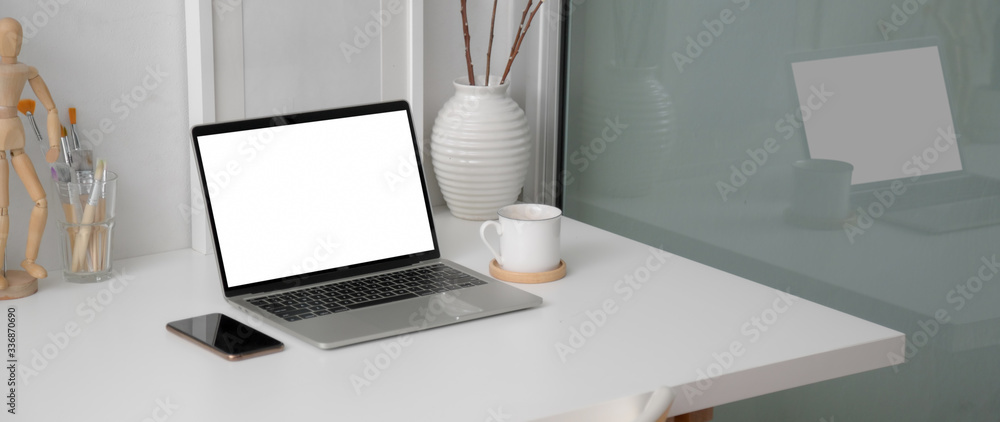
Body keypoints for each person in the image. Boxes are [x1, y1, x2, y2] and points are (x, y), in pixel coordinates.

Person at [0, 17, 60, 289]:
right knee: (2, 209)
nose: (16, 42)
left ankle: (29, 259)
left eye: (19, 37)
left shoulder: (27, 70)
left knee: (41, 201)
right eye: (10, 37)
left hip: (18, 144)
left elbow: (51, 108)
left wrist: (55, 144)